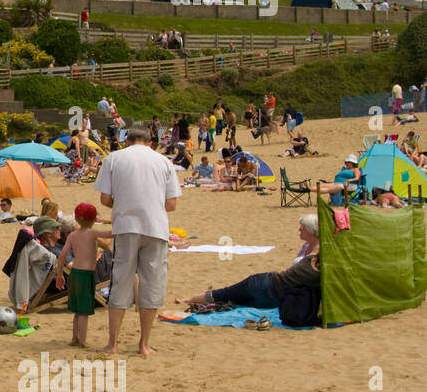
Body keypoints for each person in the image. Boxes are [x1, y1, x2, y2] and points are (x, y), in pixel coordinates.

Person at [95, 125, 181, 356]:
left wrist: (123, 205)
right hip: (156, 228)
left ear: (126, 141)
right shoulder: (163, 161)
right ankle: (144, 344)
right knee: (152, 284)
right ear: (150, 142)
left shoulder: (114, 158)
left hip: (125, 227)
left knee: (121, 283)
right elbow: (171, 204)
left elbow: (105, 198)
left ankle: (112, 344)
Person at [179, 222, 321, 311]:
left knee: (229, 299)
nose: (299, 230)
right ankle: (189, 300)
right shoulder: (309, 250)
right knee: (224, 294)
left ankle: (192, 300)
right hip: (266, 284)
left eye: (302, 228)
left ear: (310, 231)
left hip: (270, 291)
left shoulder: (314, 256)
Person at [53, 203, 113, 347]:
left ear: (77, 220)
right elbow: (110, 234)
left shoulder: (72, 235)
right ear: (94, 220)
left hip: (74, 274)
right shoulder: (93, 233)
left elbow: (61, 256)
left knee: (76, 310)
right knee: (84, 312)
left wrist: (60, 274)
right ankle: (83, 340)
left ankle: (74, 337)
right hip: (87, 275)